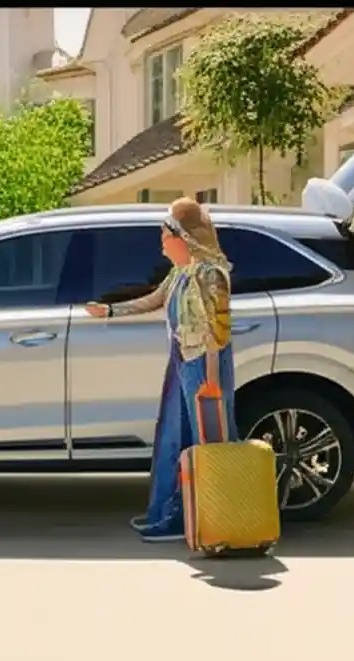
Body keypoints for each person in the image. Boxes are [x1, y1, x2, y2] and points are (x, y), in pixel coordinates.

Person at [85, 197, 235, 542]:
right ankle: (170, 513)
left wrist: (211, 382)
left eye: (165, 234)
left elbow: (218, 332)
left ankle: (210, 521)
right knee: (173, 437)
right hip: (182, 360)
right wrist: (109, 312)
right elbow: (153, 299)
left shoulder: (211, 275)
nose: (161, 243)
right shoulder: (181, 274)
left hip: (202, 366)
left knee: (205, 444)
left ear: (183, 237)